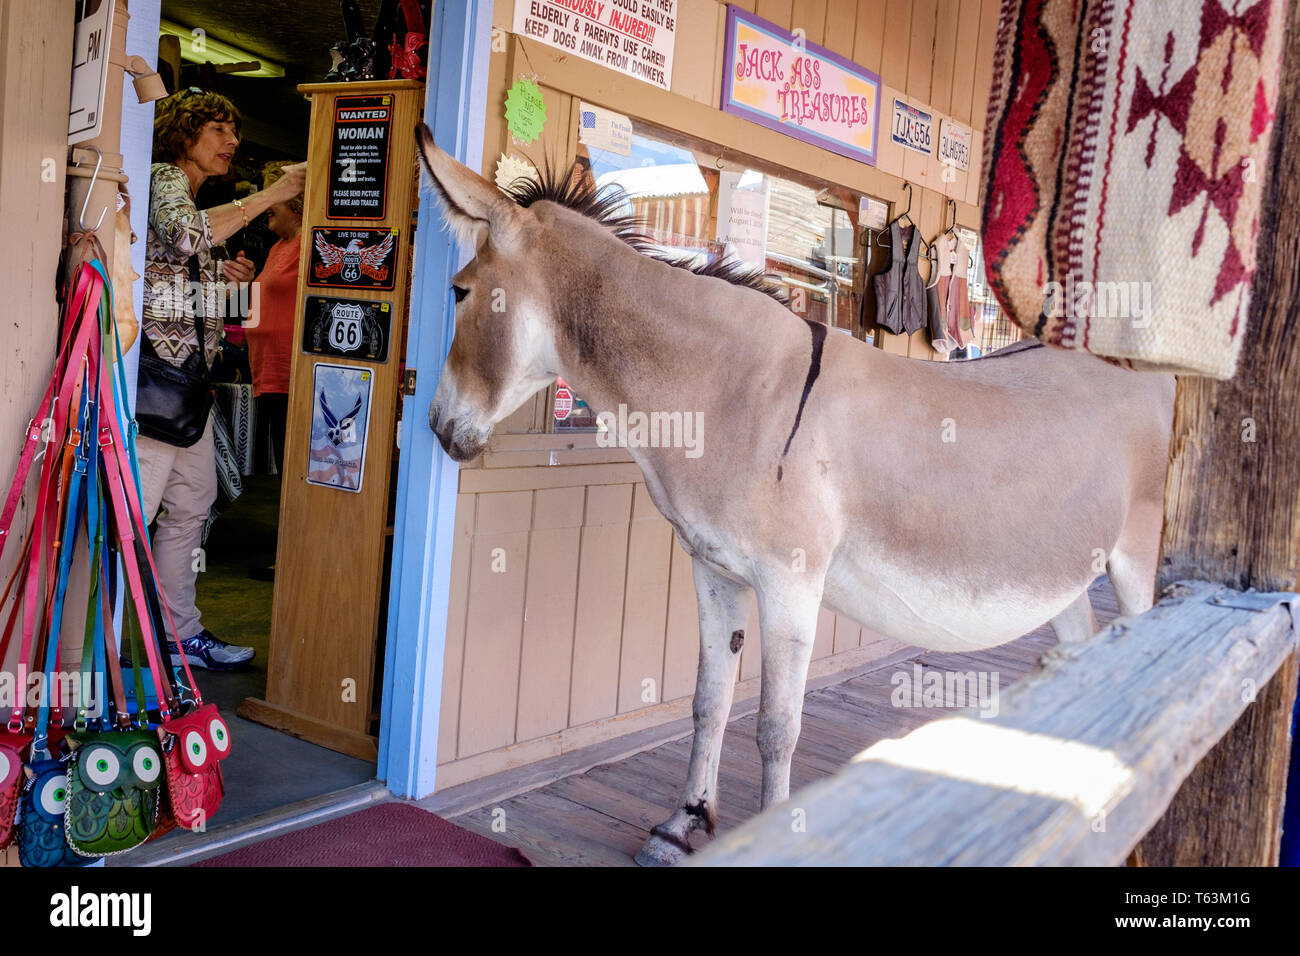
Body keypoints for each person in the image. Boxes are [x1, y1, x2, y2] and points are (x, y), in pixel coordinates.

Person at [138, 88, 305, 670]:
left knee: (192, 505)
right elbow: (184, 236)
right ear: (185, 135)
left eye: (233, 131)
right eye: (219, 130)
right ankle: (106, 644)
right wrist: (276, 192)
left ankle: (177, 633)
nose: (233, 142)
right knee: (139, 512)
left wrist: (234, 281)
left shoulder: (199, 202)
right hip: (157, 388)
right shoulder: (163, 177)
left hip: (186, 389)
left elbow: (194, 294)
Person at [243, 161, 304, 582]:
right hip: (266, 374)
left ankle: (293, 556)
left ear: (295, 205)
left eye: (274, 207)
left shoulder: (311, 244)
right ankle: (287, 549)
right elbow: (263, 304)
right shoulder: (278, 248)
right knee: (283, 470)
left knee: (294, 468)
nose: (269, 217)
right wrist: (246, 283)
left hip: (290, 375)